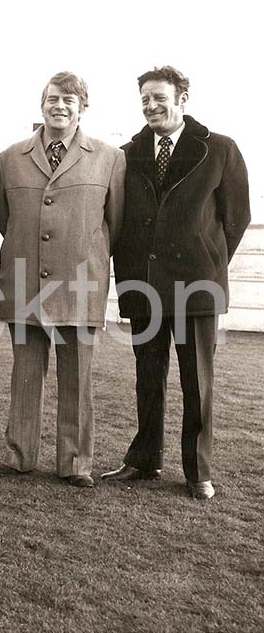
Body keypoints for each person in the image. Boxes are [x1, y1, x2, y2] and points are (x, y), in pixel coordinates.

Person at [101, 66, 250, 500]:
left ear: (182, 99)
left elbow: (236, 218)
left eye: (159, 97)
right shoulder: (128, 153)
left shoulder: (218, 148)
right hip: (144, 285)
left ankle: (197, 470)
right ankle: (144, 459)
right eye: (145, 98)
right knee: (147, 376)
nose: (151, 105)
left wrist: (210, 260)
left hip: (196, 285)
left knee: (196, 381)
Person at [0, 72, 124, 488]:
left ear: (83, 107)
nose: (59, 106)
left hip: (80, 285)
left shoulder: (109, 157)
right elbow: (2, 216)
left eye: (68, 99)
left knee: (77, 378)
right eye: (52, 98)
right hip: (25, 281)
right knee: (25, 374)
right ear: (41, 104)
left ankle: (75, 463)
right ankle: (19, 456)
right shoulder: (9, 158)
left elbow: (113, 225)